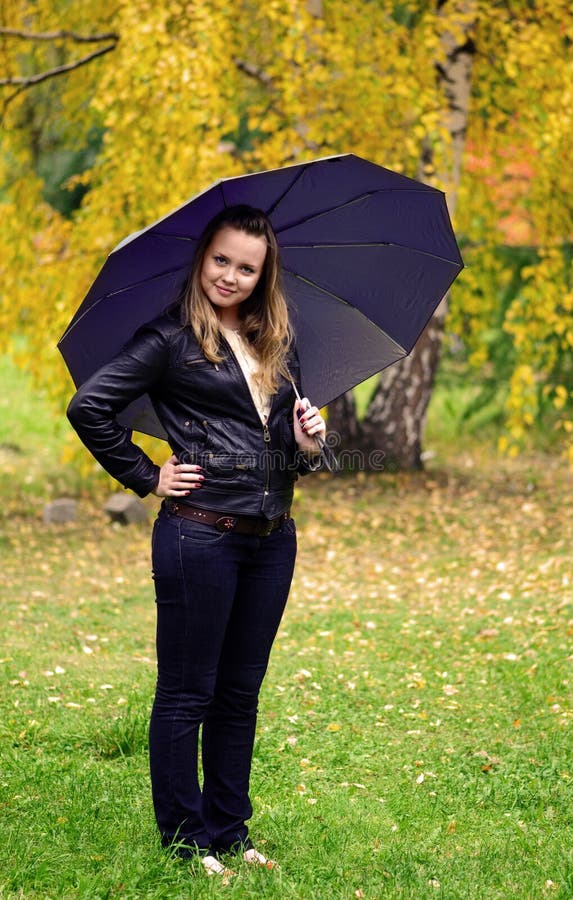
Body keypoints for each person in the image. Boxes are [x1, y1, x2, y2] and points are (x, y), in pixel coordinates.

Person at [67, 205, 326, 877]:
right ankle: (185, 844)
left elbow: (279, 456)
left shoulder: (276, 345)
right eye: (221, 260)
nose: (231, 276)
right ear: (201, 259)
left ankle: (230, 832)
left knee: (240, 693)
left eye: (246, 267)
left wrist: (304, 446)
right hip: (199, 536)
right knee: (188, 693)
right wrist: (146, 474)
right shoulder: (168, 340)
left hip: (271, 539)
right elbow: (88, 407)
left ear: (262, 274)